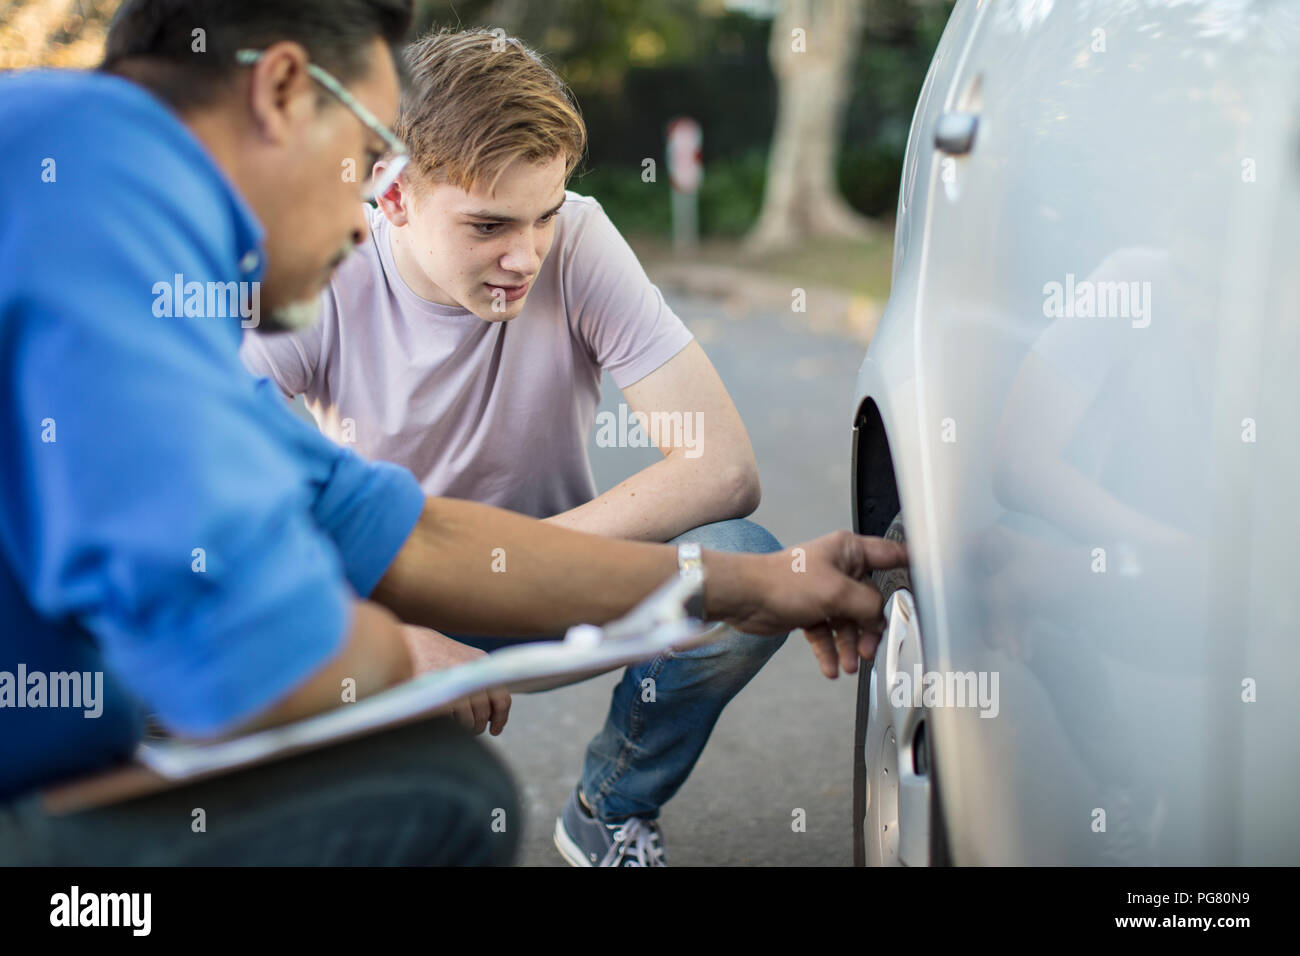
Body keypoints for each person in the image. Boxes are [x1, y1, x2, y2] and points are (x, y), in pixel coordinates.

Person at [0, 0, 905, 867]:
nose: (364, 204)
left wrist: (746, 582)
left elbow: (391, 527)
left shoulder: (99, 181)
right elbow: (235, 650)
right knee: (443, 798)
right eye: (366, 156)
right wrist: (399, 652)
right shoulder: (99, 219)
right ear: (281, 93)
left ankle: (610, 806)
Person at [240, 27, 796, 867]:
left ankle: (610, 807)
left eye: (543, 216)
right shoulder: (316, 267)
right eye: (489, 225)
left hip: (551, 590)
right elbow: (221, 507)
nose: (525, 255)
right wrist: (383, 633)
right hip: (385, 598)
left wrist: (513, 562)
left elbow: (722, 467)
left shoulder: (579, 237)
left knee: (741, 561)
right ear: (392, 197)